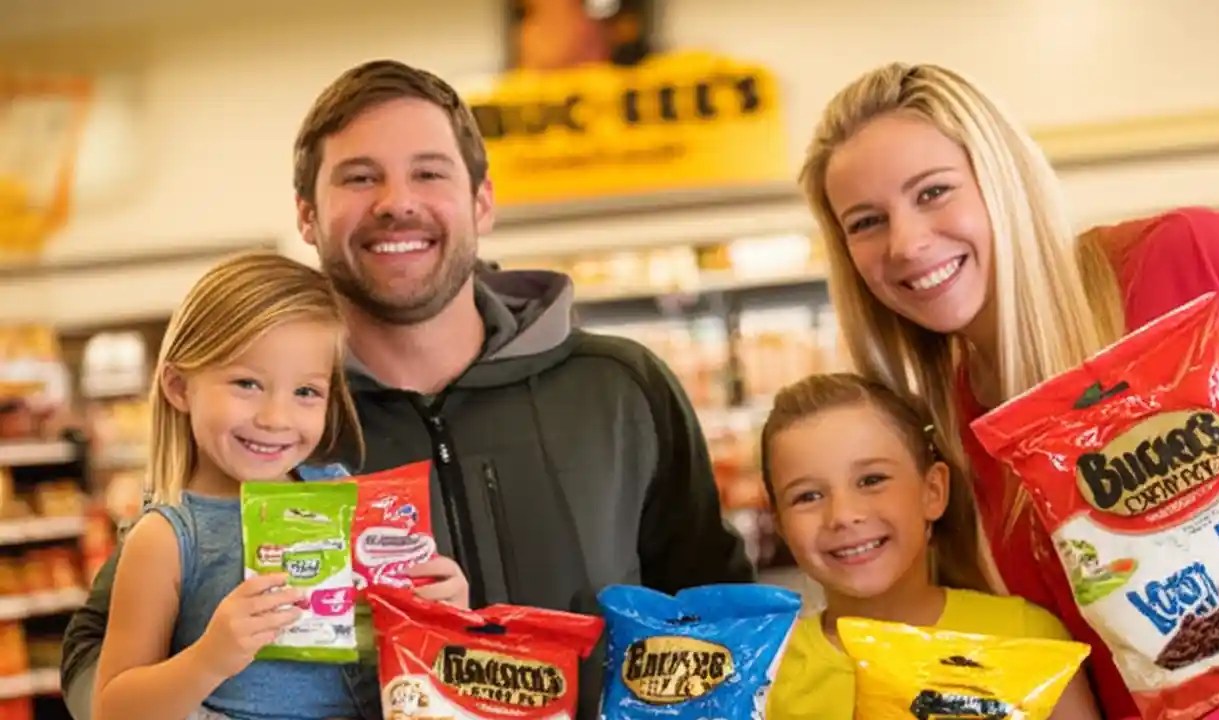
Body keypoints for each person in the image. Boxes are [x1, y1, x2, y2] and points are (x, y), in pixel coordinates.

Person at [62, 59, 754, 720]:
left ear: (481, 202)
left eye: (429, 172)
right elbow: (97, 652)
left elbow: (715, 608)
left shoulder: (620, 389)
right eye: (359, 178)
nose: (396, 203)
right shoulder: (273, 429)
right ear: (307, 214)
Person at [798, 61, 1219, 718]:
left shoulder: (1186, 260)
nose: (907, 244)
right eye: (866, 222)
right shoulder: (960, 435)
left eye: (933, 192)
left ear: (1002, 181)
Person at [94, 251, 471, 720]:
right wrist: (210, 658)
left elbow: (408, 662)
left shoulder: (344, 496)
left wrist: (442, 613)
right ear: (178, 386)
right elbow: (113, 709)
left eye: (306, 392)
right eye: (247, 384)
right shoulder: (167, 540)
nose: (276, 419)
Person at [760, 373, 1100, 719]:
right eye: (807, 496)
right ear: (781, 525)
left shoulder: (1029, 638)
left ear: (933, 491)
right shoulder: (763, 674)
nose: (843, 515)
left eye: (872, 480)